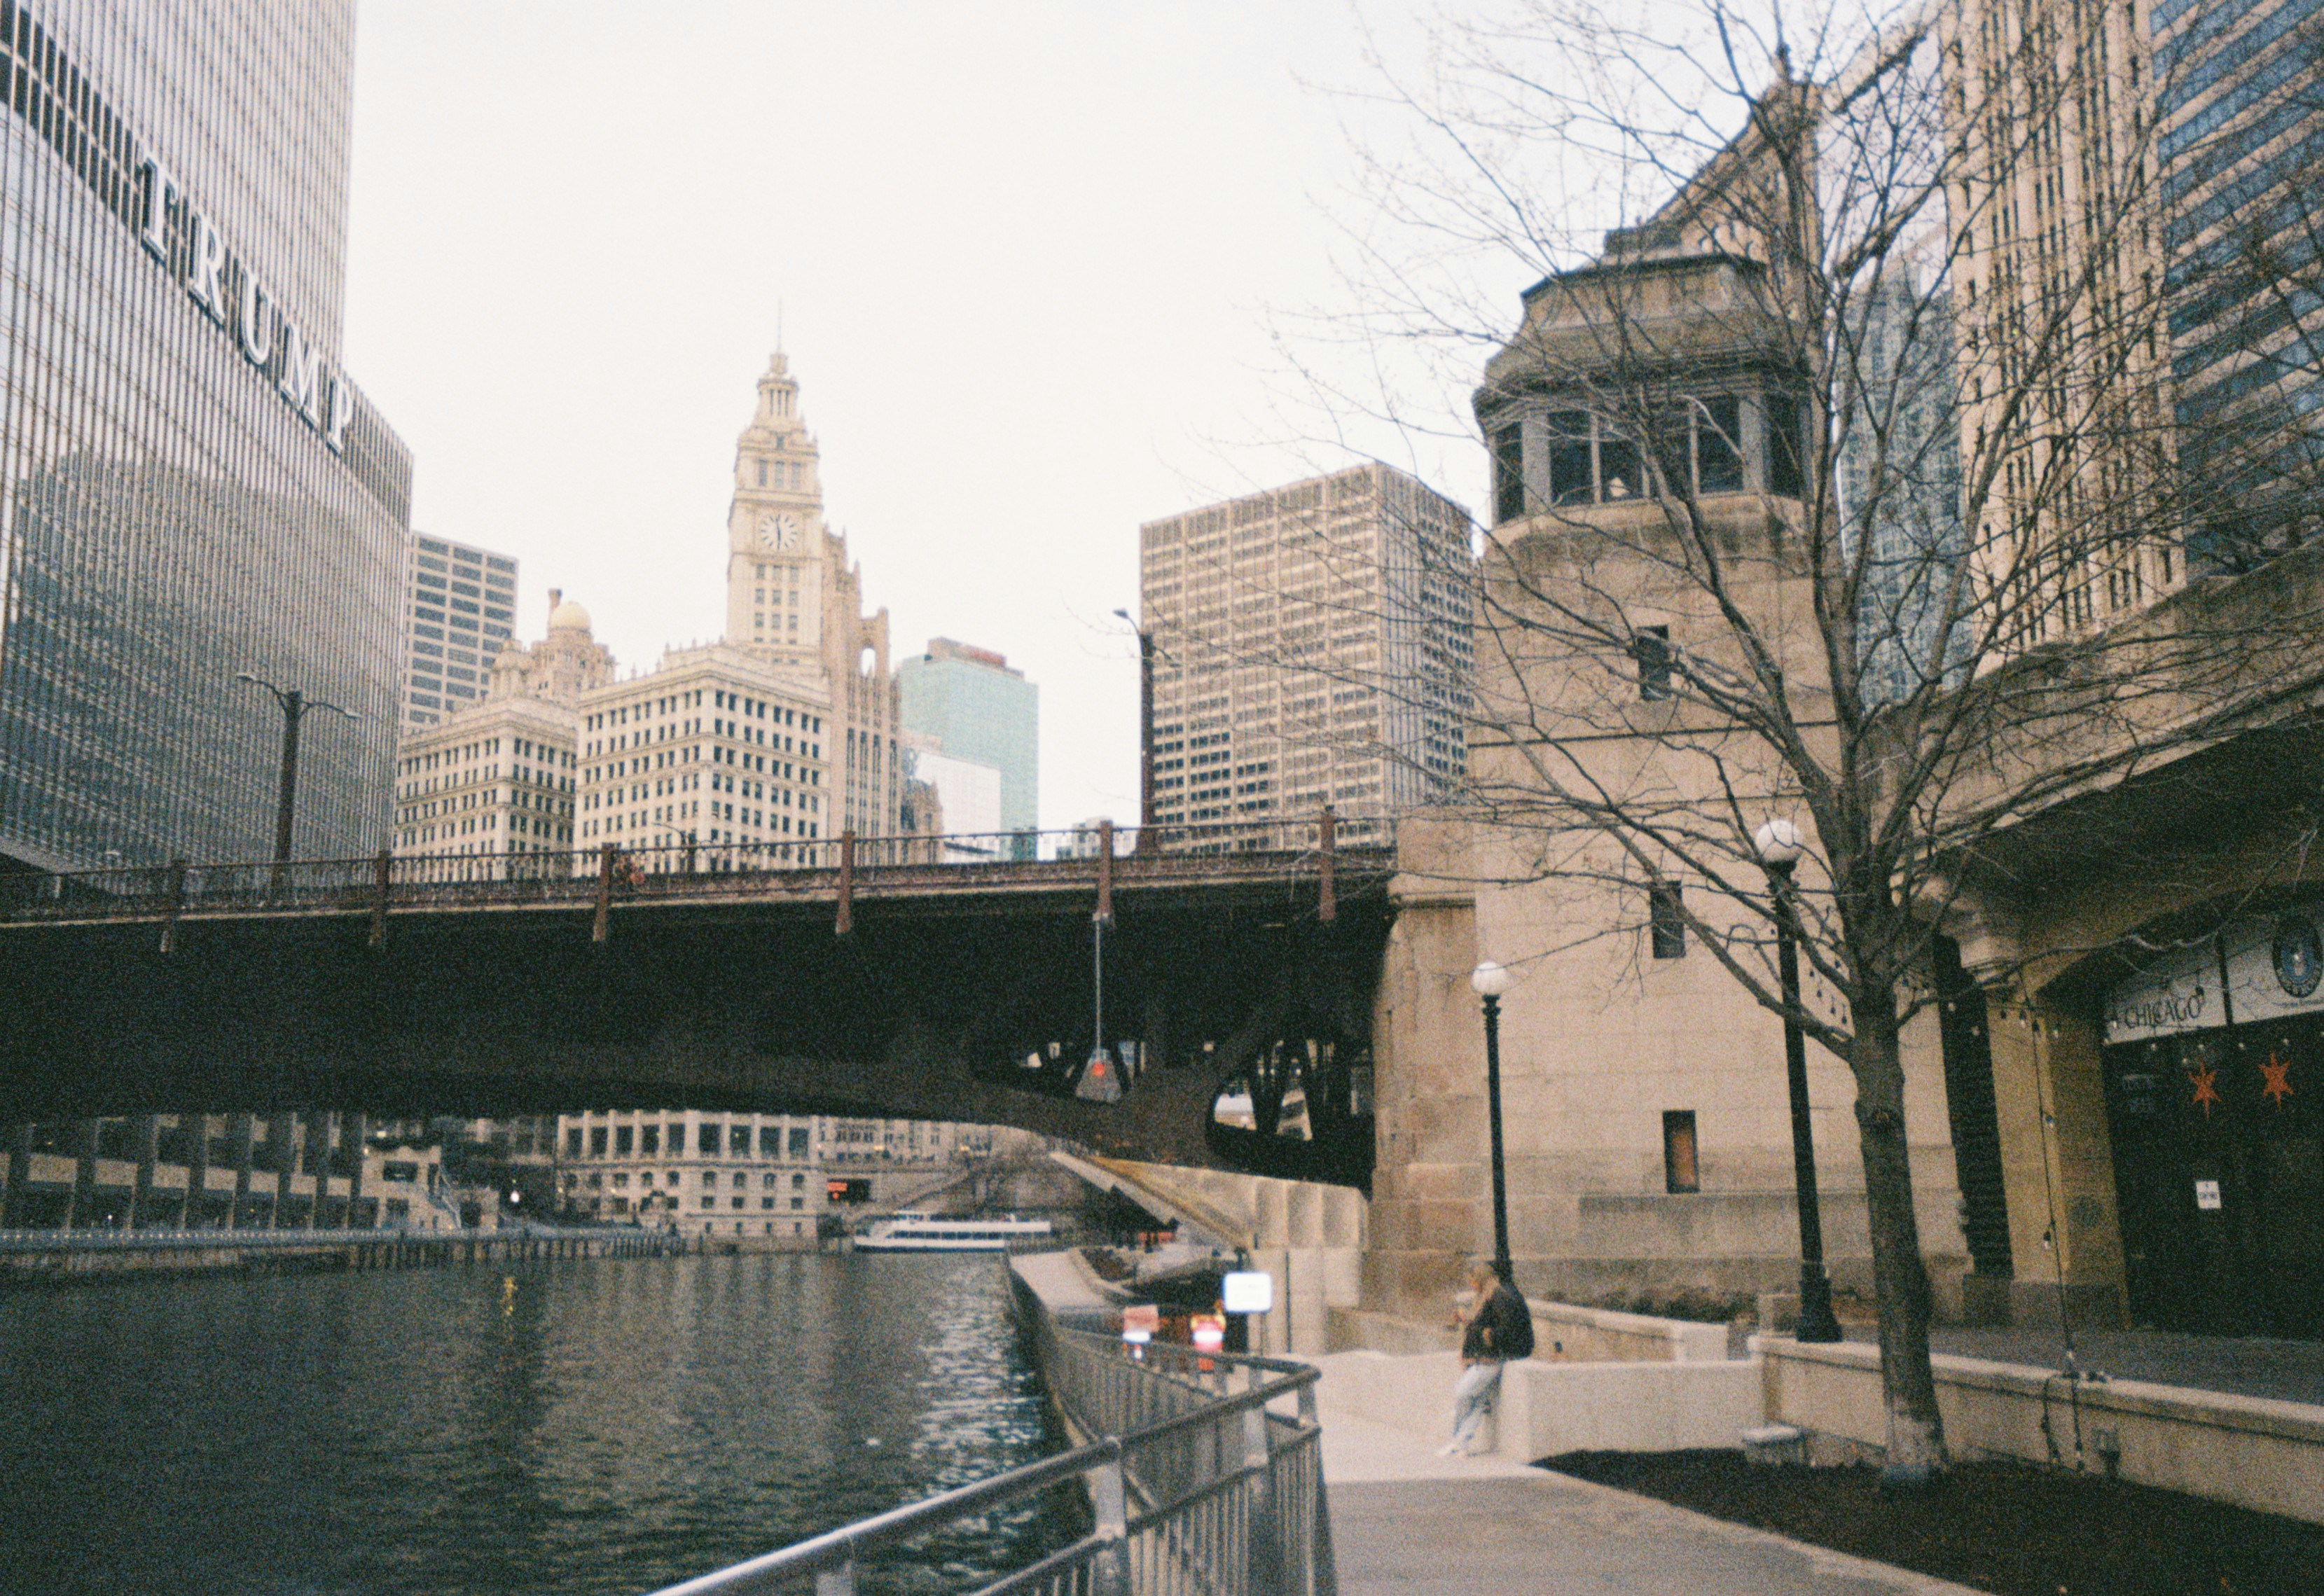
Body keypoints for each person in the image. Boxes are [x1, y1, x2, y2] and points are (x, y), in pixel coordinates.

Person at [1441, 1260, 1533, 1456]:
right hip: (1478, 1357)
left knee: (1462, 1393)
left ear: (1481, 1279)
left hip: (1491, 1358)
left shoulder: (1498, 1296)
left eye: (1473, 1281)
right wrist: (1465, 1319)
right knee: (1476, 1402)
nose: (1471, 1286)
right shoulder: (1481, 1297)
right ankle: (1461, 1444)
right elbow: (1479, 1321)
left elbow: (1507, 1326)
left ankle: (1458, 1439)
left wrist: (1488, 1335)